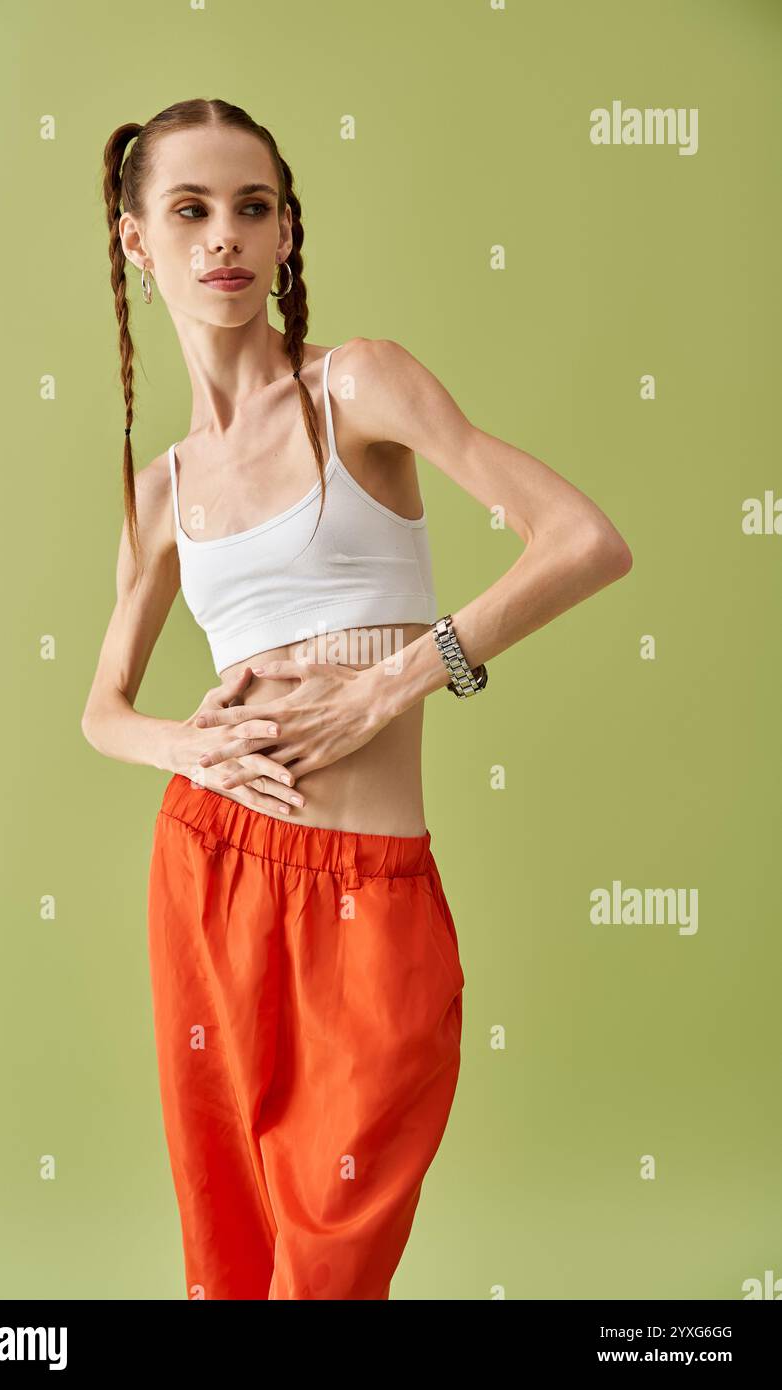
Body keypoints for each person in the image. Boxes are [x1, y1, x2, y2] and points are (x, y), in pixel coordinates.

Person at [81, 97, 632, 1301]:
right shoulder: (158, 487)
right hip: (209, 872)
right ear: (138, 243)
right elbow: (101, 712)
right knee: (227, 1263)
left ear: (285, 236)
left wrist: (387, 683)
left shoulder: (358, 389)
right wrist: (192, 746)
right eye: (189, 210)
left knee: (326, 1271)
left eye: (253, 207)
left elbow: (582, 540)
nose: (223, 234)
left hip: (369, 902)